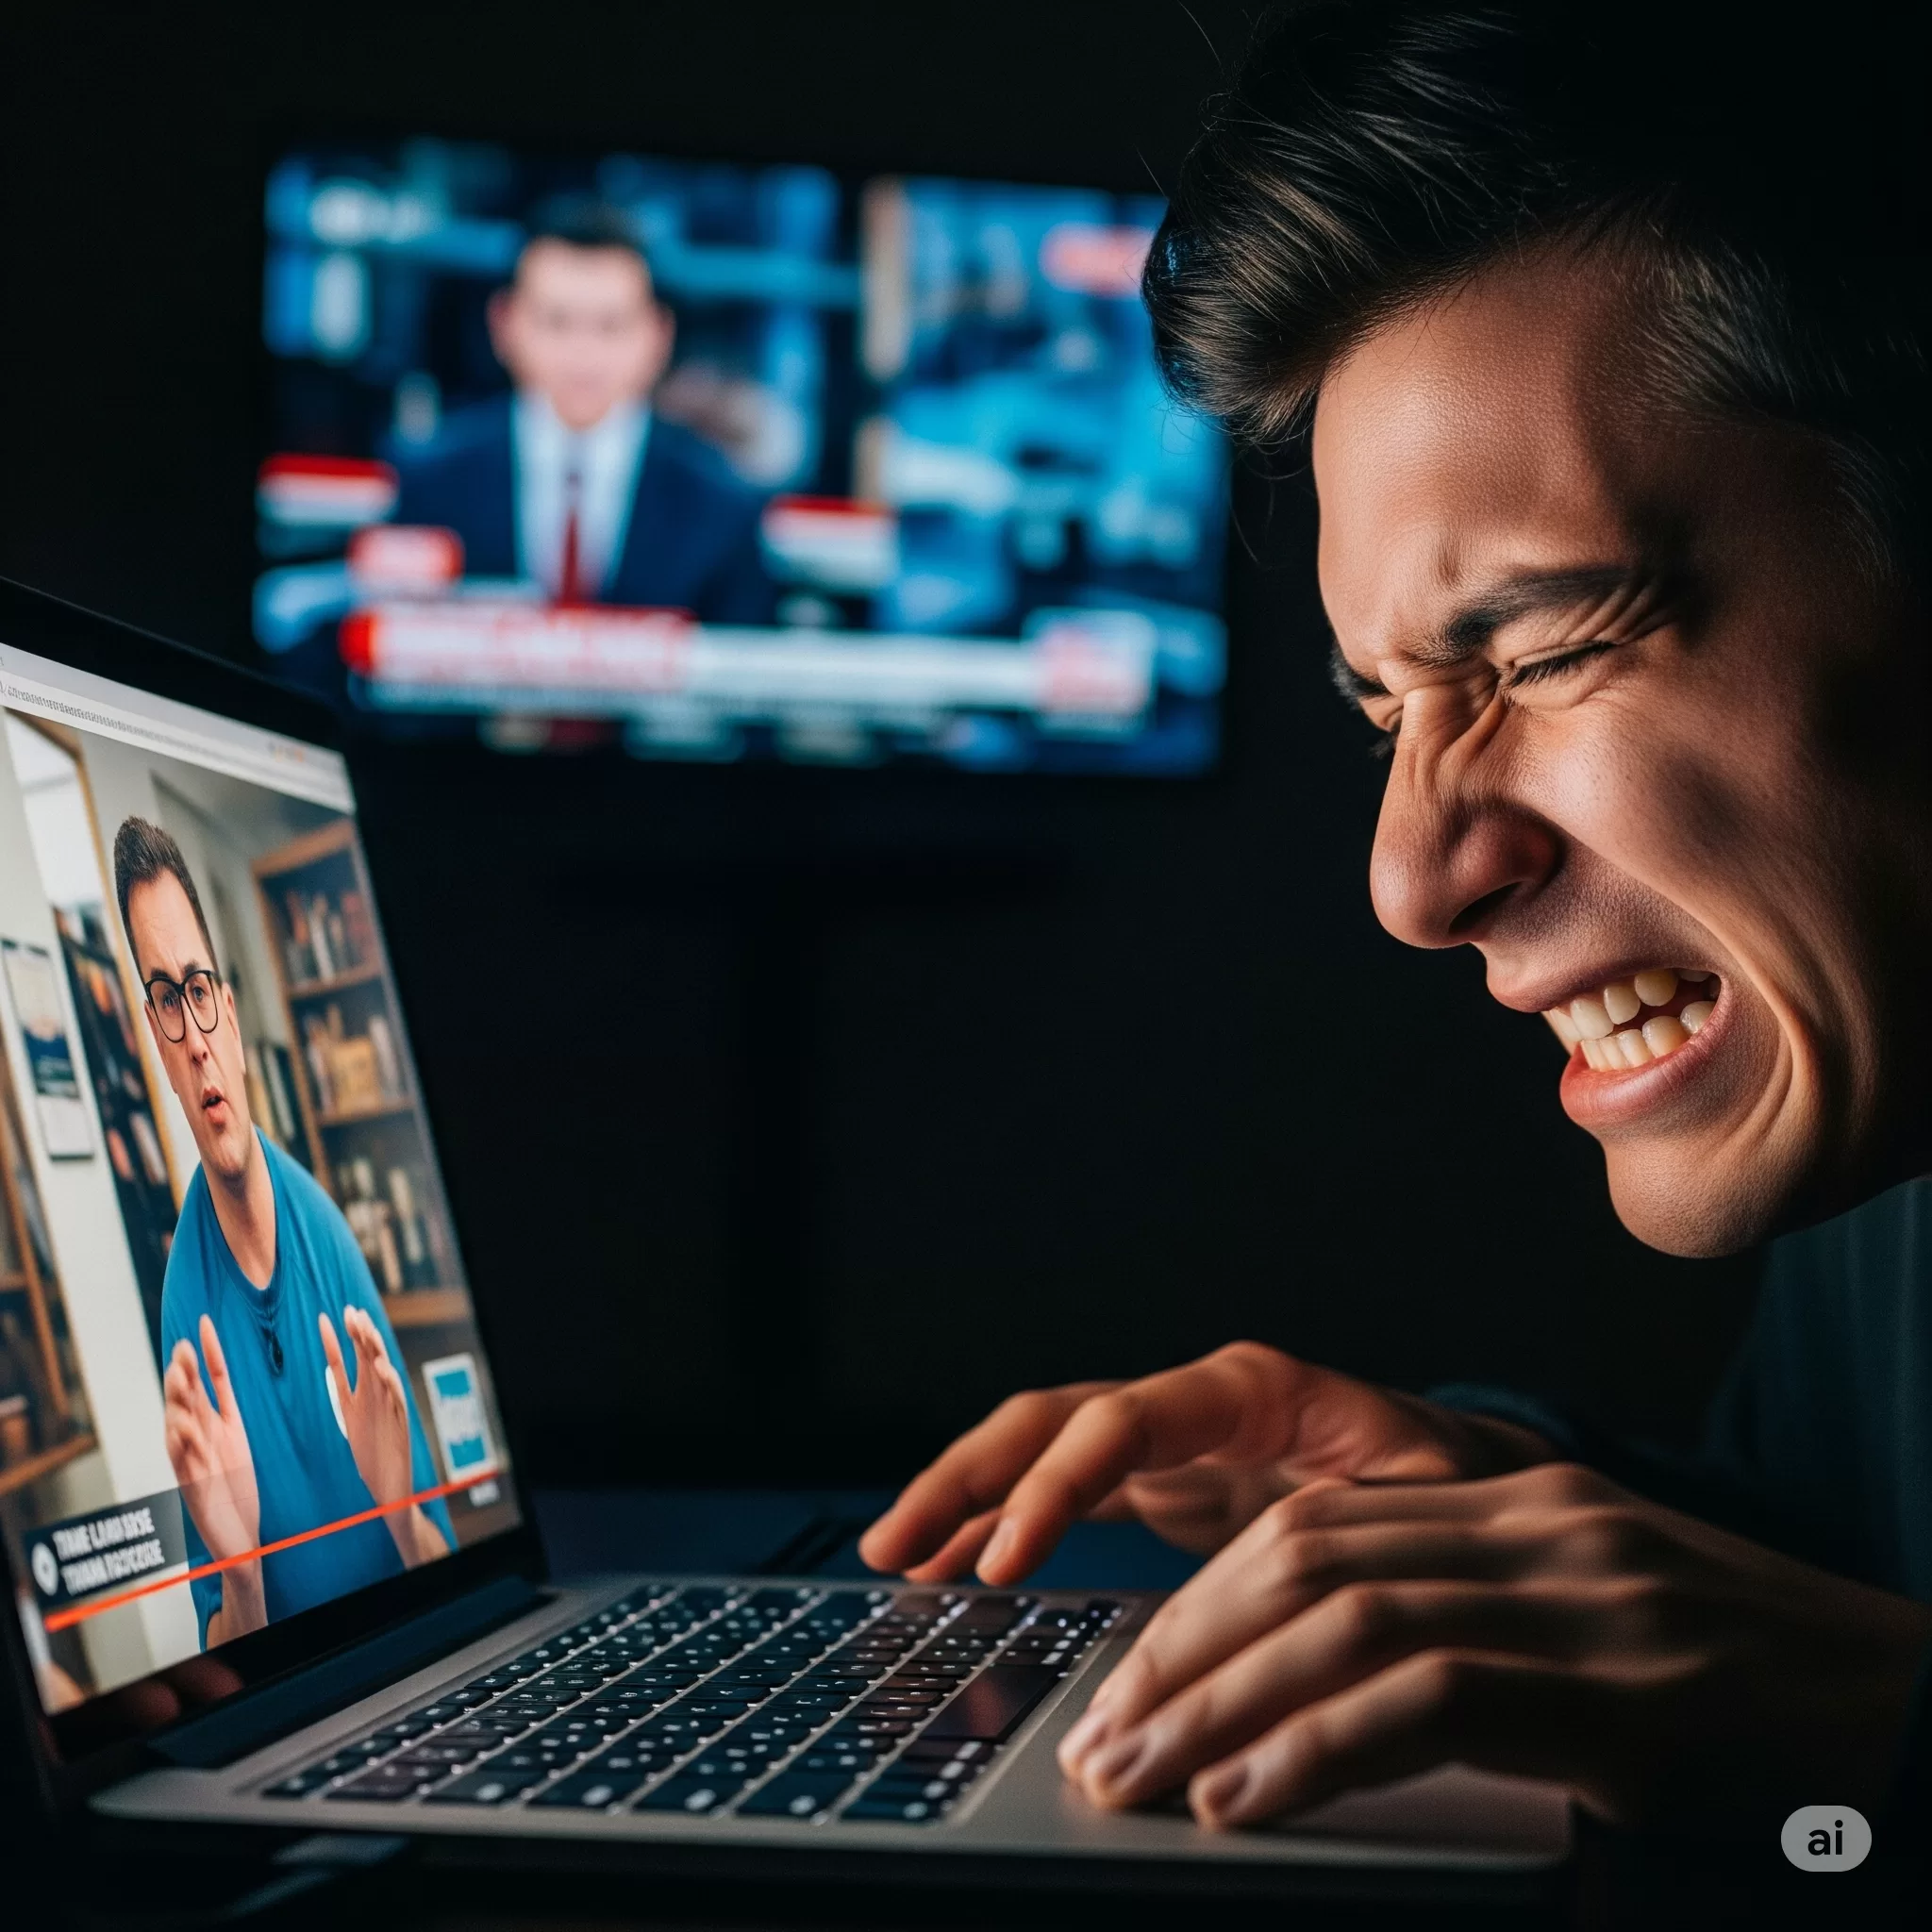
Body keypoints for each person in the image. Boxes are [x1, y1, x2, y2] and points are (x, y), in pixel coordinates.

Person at [860, 3, 1932, 1835]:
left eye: (1540, 648)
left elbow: (1854, 1671)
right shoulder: (1876, 1087)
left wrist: (1881, 1734)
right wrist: (1473, 1494)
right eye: (1386, 711)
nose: (1412, 876)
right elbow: (1849, 1551)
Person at [113, 818, 451, 1648]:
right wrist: (240, 1574)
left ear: (228, 1009)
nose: (194, 1043)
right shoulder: (184, 1315)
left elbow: (447, 1578)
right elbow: (233, 1664)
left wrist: (402, 1513)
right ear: (154, 1039)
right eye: (165, 1000)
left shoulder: (328, 1239)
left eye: (198, 991)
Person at [391, 198, 776, 624]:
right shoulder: (430, 479)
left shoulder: (723, 504)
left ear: (658, 335)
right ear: (504, 324)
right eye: (557, 321)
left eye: (610, 325)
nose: (583, 353)